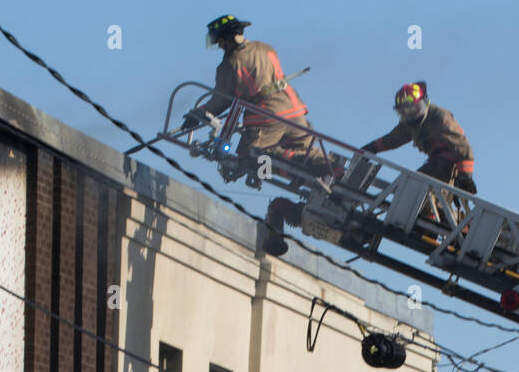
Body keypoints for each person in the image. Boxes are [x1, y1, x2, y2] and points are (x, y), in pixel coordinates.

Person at [184, 15, 334, 255]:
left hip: (267, 114)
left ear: (228, 37)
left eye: (220, 41)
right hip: (295, 109)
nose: (220, 46)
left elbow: (222, 100)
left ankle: (295, 163)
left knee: (249, 157)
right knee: (307, 152)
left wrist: (197, 114)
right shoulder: (265, 48)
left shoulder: (230, 63)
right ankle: (329, 167)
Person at [361, 82, 476, 196]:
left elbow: (463, 148)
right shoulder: (410, 123)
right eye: (404, 111)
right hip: (434, 162)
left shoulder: (439, 118)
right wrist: (371, 149)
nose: (410, 114)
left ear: (424, 103)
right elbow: (393, 139)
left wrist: (465, 178)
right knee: (409, 187)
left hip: (449, 165)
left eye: (414, 109)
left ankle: (429, 212)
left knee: (420, 192)